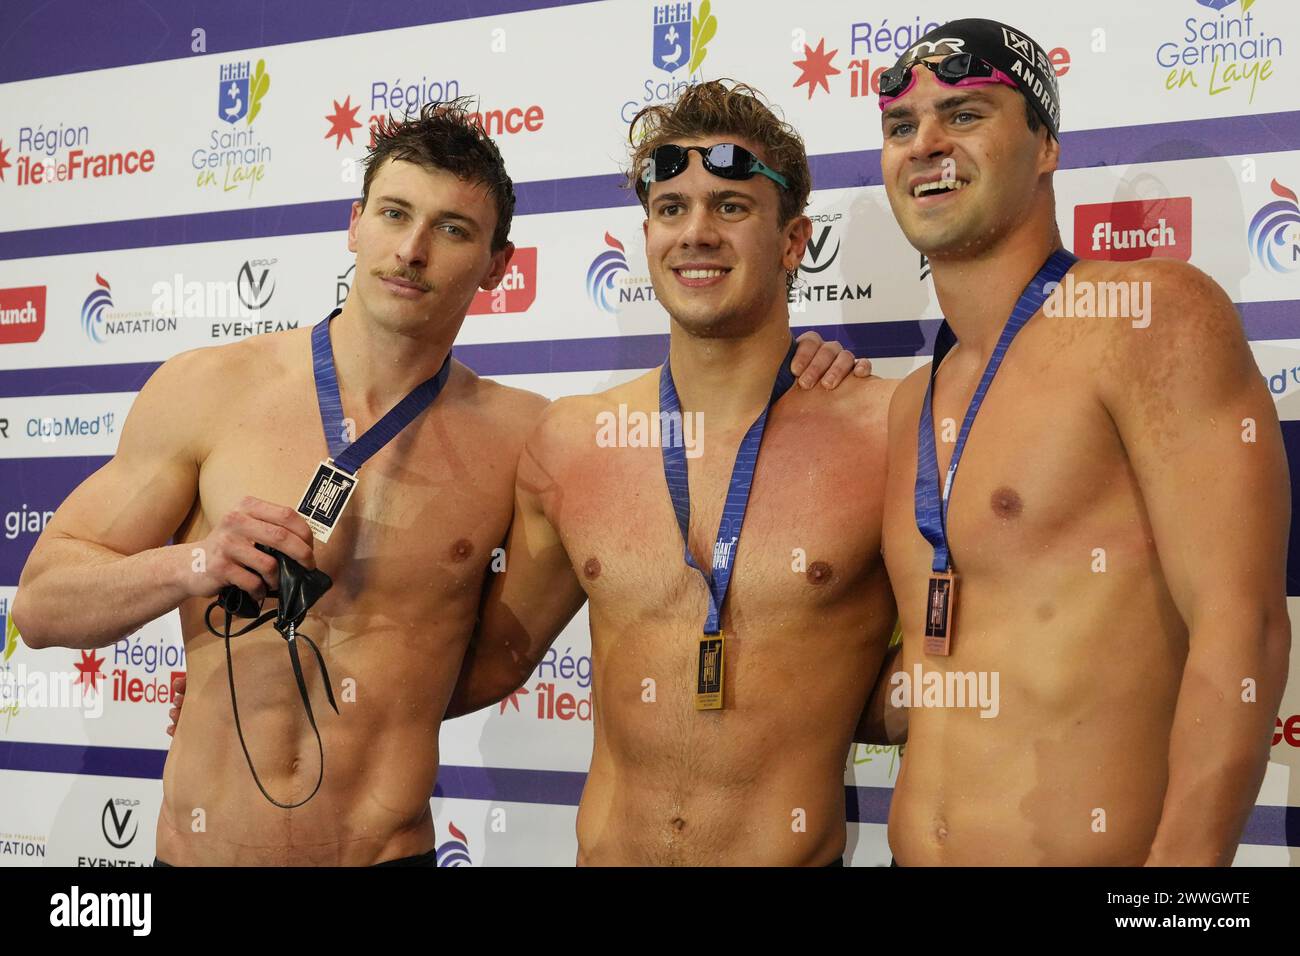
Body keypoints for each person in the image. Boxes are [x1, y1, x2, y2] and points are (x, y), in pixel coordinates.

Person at [12, 98, 864, 866]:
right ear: (355, 224)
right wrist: (189, 567)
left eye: (453, 230)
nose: (412, 250)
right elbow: (41, 607)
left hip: (390, 855)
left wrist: (807, 368)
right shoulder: (208, 388)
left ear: (498, 265)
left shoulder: (528, 436)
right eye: (394, 214)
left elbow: (502, 653)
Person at [860, 18, 1291, 866]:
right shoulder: (913, 400)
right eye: (902, 128)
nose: (927, 144)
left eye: (967, 114)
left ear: (1047, 146)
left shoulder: (1148, 316)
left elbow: (1244, 628)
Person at [447, 80, 898, 866]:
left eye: (731, 207)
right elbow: (493, 660)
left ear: (793, 242)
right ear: (647, 234)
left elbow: (961, 675)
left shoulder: (887, 430)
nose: (696, 233)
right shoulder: (573, 442)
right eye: (670, 208)